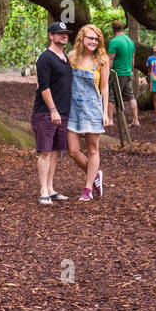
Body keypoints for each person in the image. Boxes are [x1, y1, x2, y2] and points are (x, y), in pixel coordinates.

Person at [66, 23, 112, 201]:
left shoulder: (102, 61)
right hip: (73, 108)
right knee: (73, 151)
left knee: (93, 150)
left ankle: (87, 189)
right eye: (90, 38)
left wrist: (105, 113)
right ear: (81, 39)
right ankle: (95, 175)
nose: (93, 41)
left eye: (96, 39)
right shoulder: (71, 57)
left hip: (93, 109)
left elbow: (105, 87)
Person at [32, 22, 73, 205]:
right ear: (51, 36)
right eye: (59, 34)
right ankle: (43, 191)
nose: (64, 36)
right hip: (46, 113)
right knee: (45, 152)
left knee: (56, 152)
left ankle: (50, 188)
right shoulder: (45, 58)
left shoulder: (65, 57)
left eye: (65, 34)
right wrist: (53, 110)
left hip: (64, 113)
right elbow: (44, 87)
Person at [107, 21, 140, 129]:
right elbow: (133, 58)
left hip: (116, 73)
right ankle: (136, 120)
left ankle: (110, 120)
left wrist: (107, 72)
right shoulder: (130, 41)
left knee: (110, 97)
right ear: (122, 28)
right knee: (131, 97)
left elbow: (110, 59)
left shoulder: (114, 42)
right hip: (127, 73)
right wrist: (131, 71)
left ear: (113, 29)